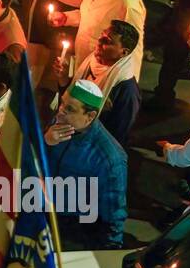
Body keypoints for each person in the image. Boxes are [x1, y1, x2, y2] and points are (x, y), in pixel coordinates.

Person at [43, 80, 127, 250]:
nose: (60, 112)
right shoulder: (58, 126)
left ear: (90, 116)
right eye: (62, 103)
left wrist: (109, 254)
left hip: (72, 233)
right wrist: (45, 142)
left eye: (70, 109)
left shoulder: (109, 158)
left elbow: (113, 214)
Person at [62, 21, 141, 149]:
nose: (99, 41)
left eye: (107, 41)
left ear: (124, 52)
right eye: (101, 36)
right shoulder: (90, 63)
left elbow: (117, 135)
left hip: (88, 148)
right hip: (67, 135)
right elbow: (71, 103)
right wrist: (63, 80)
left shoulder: (127, 90)